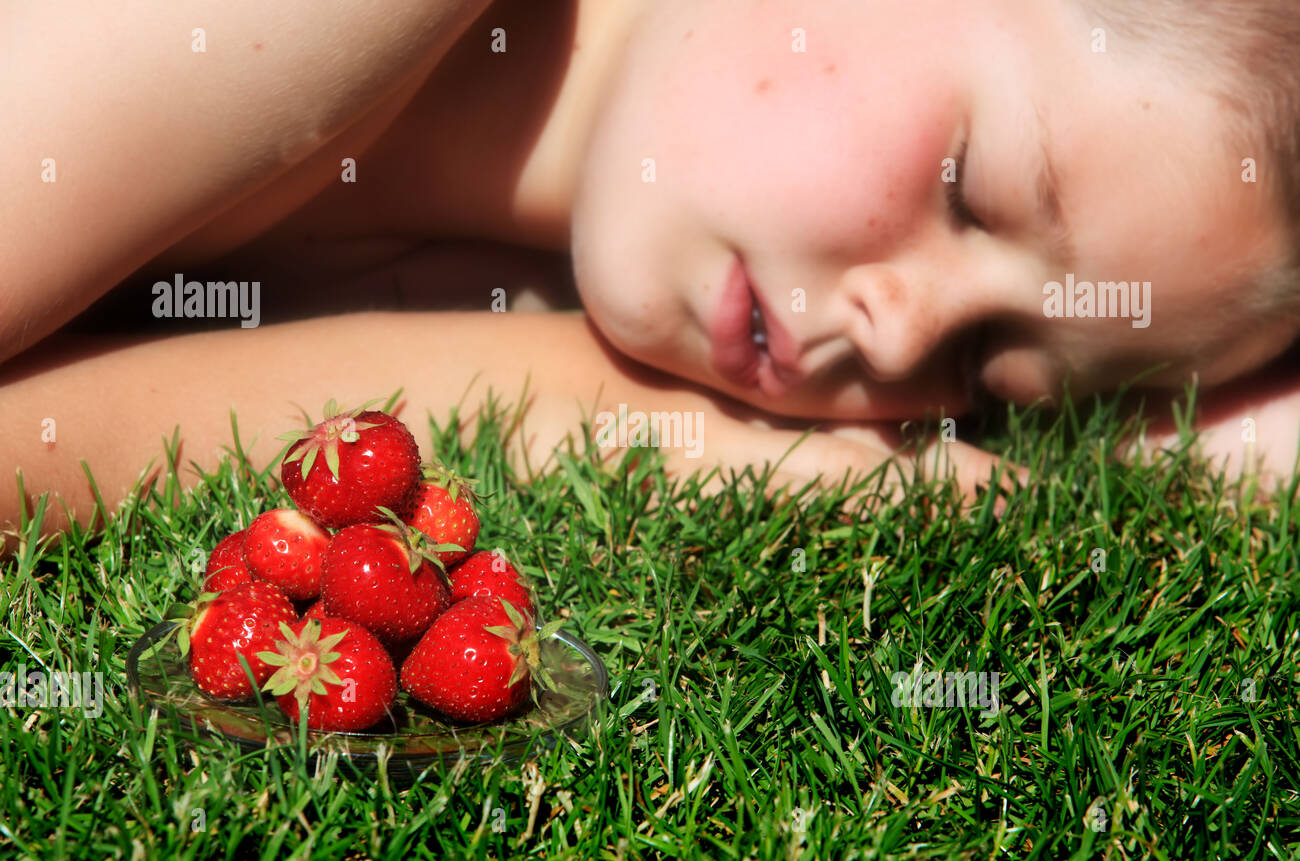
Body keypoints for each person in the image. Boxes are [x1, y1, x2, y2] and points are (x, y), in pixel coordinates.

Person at [2, 0, 1298, 552]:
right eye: (969, 185)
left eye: (983, 369)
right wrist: (624, 413)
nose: (899, 341)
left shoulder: (538, 253)